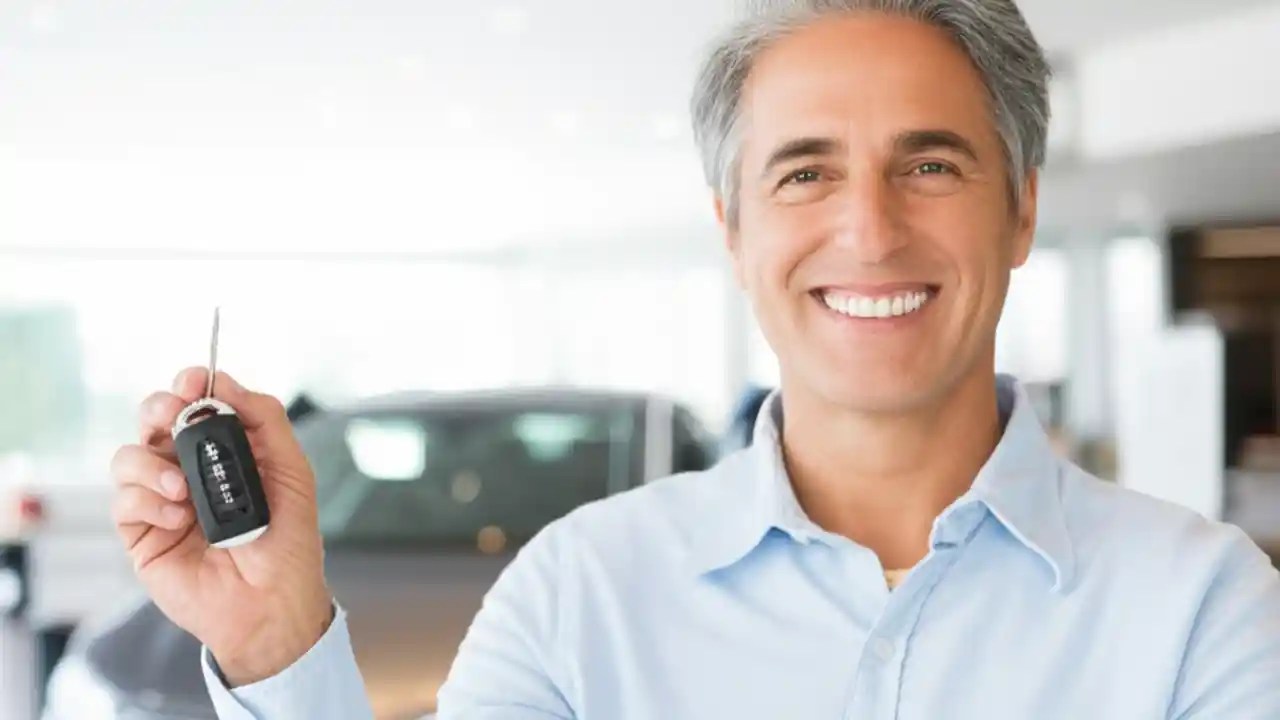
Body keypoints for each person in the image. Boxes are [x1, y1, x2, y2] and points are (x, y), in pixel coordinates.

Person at [110, 0, 1280, 717]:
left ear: (1020, 211)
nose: (868, 231)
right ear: (732, 229)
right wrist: (273, 644)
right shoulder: (579, 596)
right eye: (805, 172)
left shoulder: (1199, 605)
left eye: (929, 165)